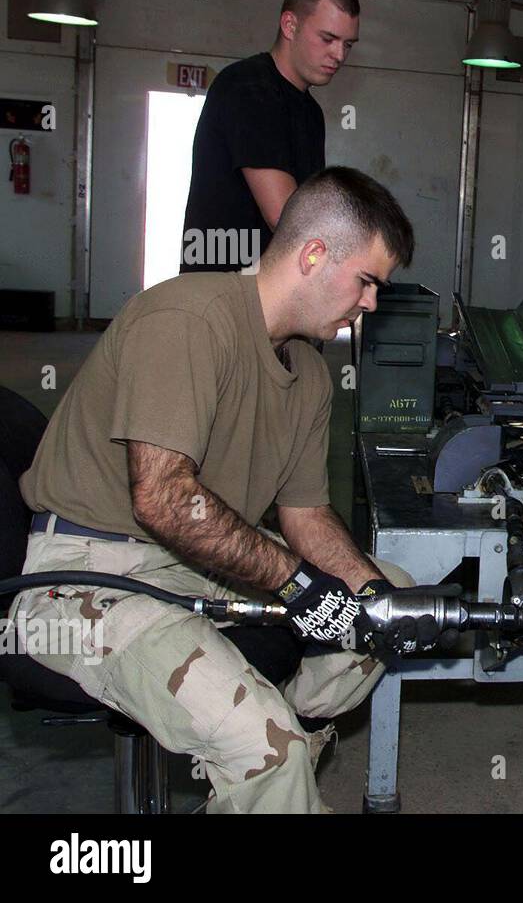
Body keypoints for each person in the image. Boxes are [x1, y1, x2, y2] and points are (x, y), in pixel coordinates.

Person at [16, 167, 416, 813]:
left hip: (191, 562)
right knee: (272, 751)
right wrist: (297, 583)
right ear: (315, 255)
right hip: (88, 573)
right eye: (367, 282)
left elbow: (306, 515)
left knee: (385, 595)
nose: (370, 303)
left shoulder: (310, 376)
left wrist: (374, 601)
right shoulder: (189, 318)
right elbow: (165, 499)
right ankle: (271, 752)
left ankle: (273, 728)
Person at [181, 0, 360, 272]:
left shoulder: (310, 113)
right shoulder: (248, 87)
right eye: (328, 38)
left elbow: (307, 213)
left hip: (266, 289)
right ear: (290, 25)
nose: (339, 54)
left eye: (348, 44)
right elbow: (285, 215)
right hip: (222, 288)